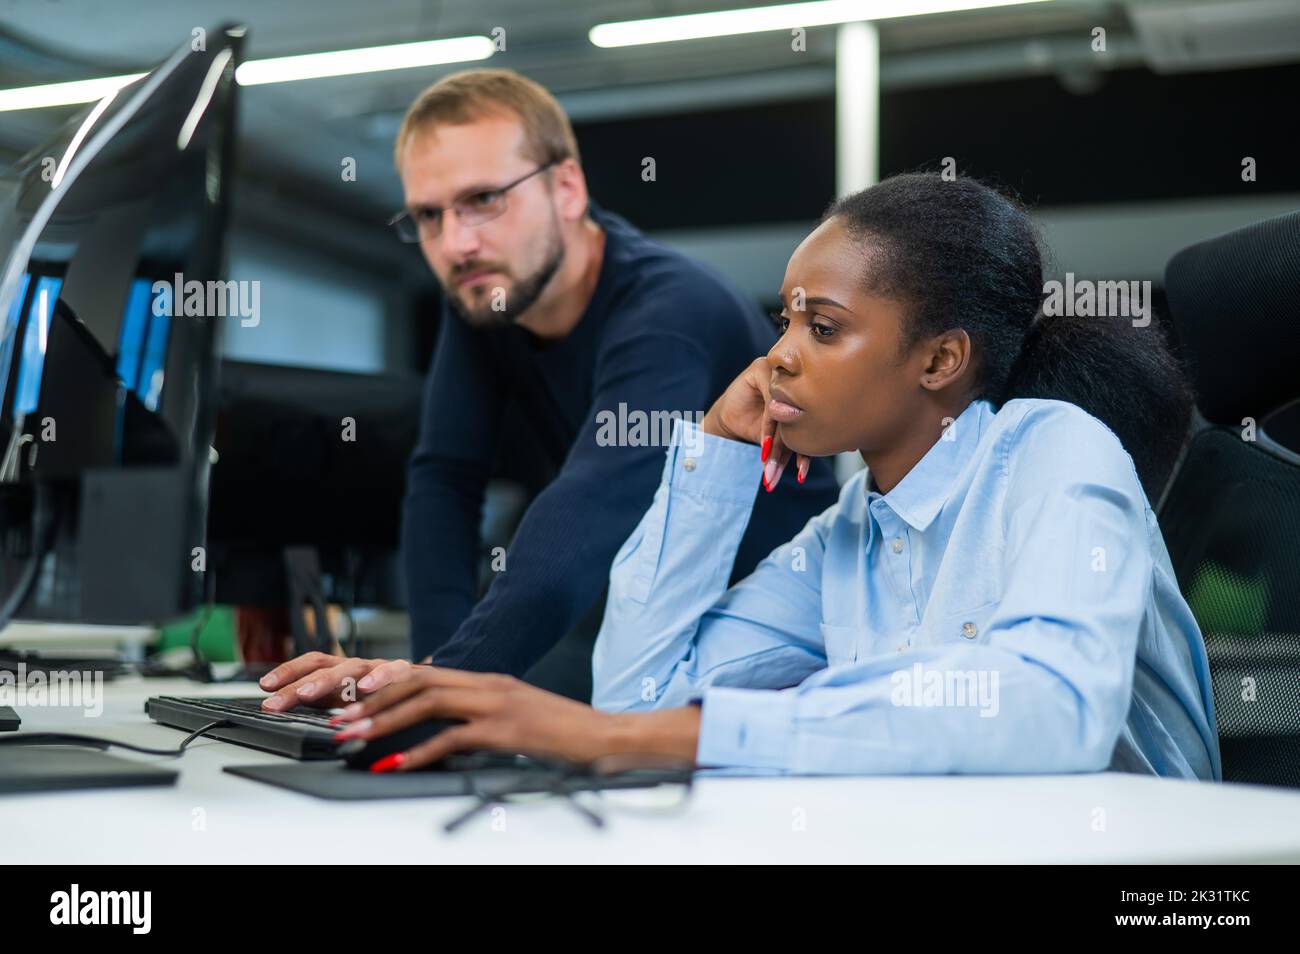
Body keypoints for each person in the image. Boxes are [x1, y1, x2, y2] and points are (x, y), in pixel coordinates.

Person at [322, 173, 1221, 780]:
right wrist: (713, 449)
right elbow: (637, 696)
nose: (777, 359)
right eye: (784, 321)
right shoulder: (852, 529)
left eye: (821, 328)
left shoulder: (1055, 451)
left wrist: (693, 733)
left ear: (941, 357)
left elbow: (1053, 708)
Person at [256, 68, 838, 712]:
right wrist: (425, 671)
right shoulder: (486, 299)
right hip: (620, 592)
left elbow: (589, 509)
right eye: (428, 215)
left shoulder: (670, 311)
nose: (456, 243)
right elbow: (445, 480)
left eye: (483, 200)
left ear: (566, 187)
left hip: (755, 613)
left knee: (529, 702)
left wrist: (446, 684)